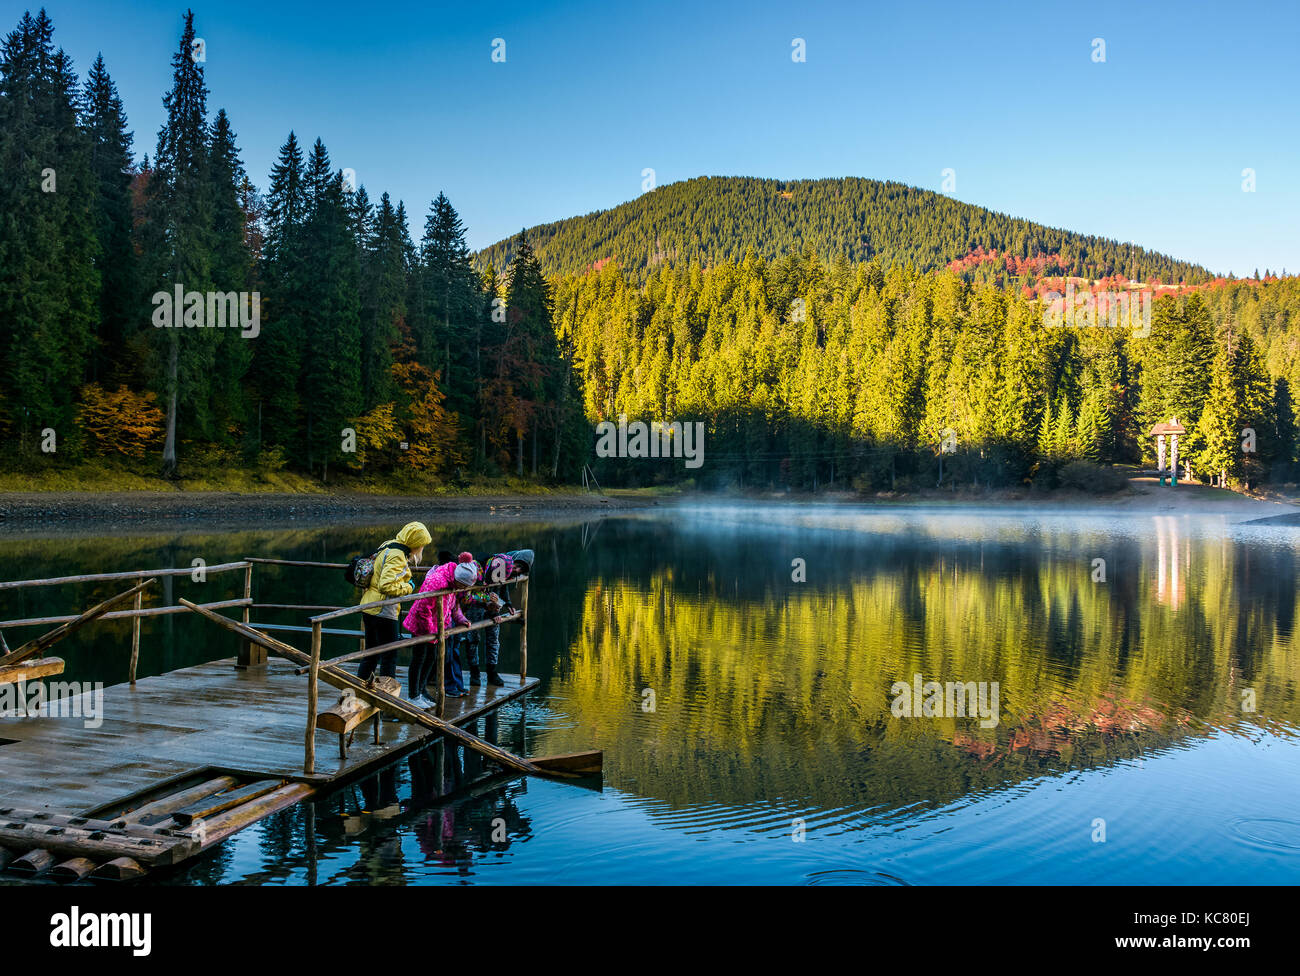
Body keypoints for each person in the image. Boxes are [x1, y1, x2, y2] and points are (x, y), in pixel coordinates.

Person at [357, 522, 430, 688]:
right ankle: (386, 697)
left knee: (371, 654)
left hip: (369, 606)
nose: (422, 548)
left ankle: (358, 691)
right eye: (422, 545)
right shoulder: (398, 555)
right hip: (384, 610)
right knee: (389, 656)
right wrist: (408, 587)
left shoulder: (388, 545)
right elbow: (386, 585)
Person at [403, 557, 477, 705]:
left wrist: (461, 619)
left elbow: (453, 606)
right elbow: (423, 610)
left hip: (435, 627)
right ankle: (413, 695)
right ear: (458, 580)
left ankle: (421, 690)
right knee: (419, 658)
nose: (462, 590)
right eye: (462, 586)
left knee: (431, 658)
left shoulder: (454, 582)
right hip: (422, 625)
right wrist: (431, 632)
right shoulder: (437, 582)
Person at [459, 551, 513, 686]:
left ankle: (492, 673)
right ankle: (474, 673)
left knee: (493, 638)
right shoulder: (476, 568)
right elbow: (468, 593)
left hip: (493, 604)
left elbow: (502, 586)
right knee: (473, 638)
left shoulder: (503, 566)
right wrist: (485, 603)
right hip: (475, 604)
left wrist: (503, 604)